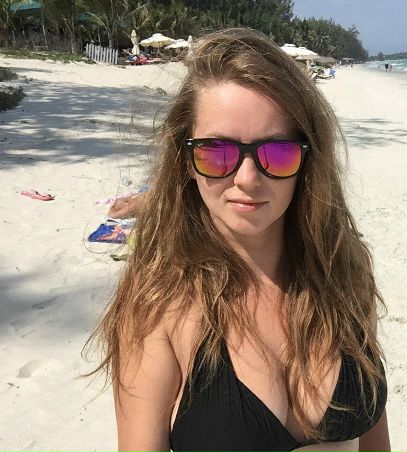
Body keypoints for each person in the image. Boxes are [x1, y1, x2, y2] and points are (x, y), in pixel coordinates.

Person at [87, 28, 389, 452]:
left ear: (307, 160)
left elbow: (374, 440)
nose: (247, 179)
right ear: (186, 161)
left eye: (277, 152)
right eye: (216, 152)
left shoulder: (344, 270)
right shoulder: (158, 303)